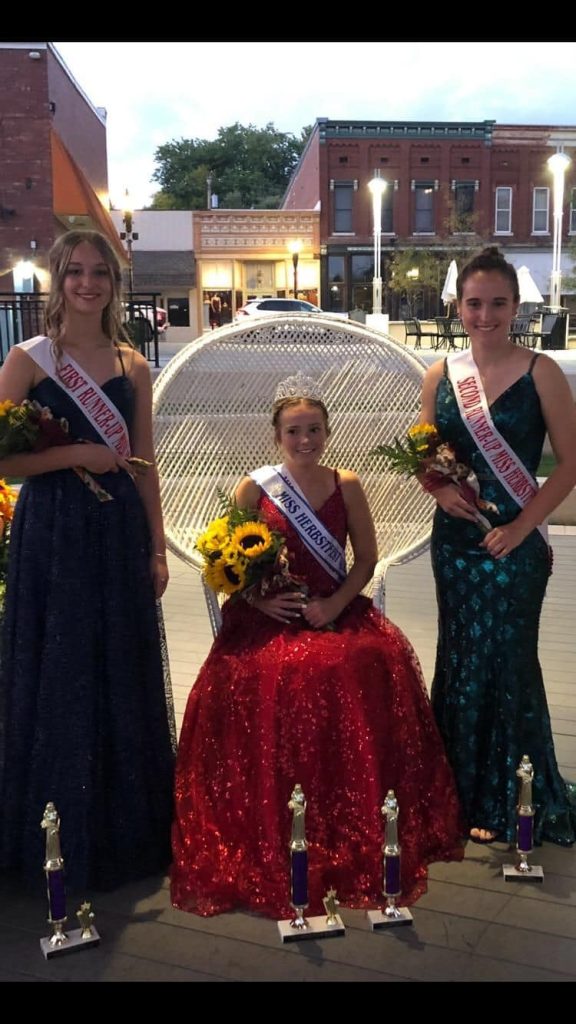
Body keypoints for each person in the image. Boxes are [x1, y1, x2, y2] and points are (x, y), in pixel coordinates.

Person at [171, 374, 464, 920]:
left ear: (327, 431)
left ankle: (352, 811)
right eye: (293, 432)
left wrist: (333, 606)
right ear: (276, 437)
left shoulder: (346, 482)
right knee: (276, 671)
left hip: (336, 603)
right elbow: (229, 567)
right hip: (270, 612)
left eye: (313, 430)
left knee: (365, 660)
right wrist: (260, 604)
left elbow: (367, 560)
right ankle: (283, 814)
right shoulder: (254, 488)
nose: (304, 440)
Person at [0, 229, 176, 892]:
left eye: (99, 272)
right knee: (61, 670)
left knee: (116, 667)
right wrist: (74, 455)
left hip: (116, 530)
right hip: (52, 534)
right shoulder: (29, 360)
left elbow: (145, 466)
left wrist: (158, 548)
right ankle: (56, 826)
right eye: (74, 271)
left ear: (113, 282)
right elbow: (4, 459)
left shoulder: (133, 365)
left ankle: (118, 825)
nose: (87, 283)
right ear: (57, 279)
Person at [420, 246, 576, 845]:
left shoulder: (542, 372)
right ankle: (457, 793)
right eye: (474, 303)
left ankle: (513, 792)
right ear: (459, 307)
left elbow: (568, 465)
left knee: (508, 662)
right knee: (459, 660)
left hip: (516, 545)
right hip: (455, 545)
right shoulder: (441, 374)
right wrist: (438, 491)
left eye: (498, 303)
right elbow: (426, 458)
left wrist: (518, 526)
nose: (485, 315)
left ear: (516, 306)